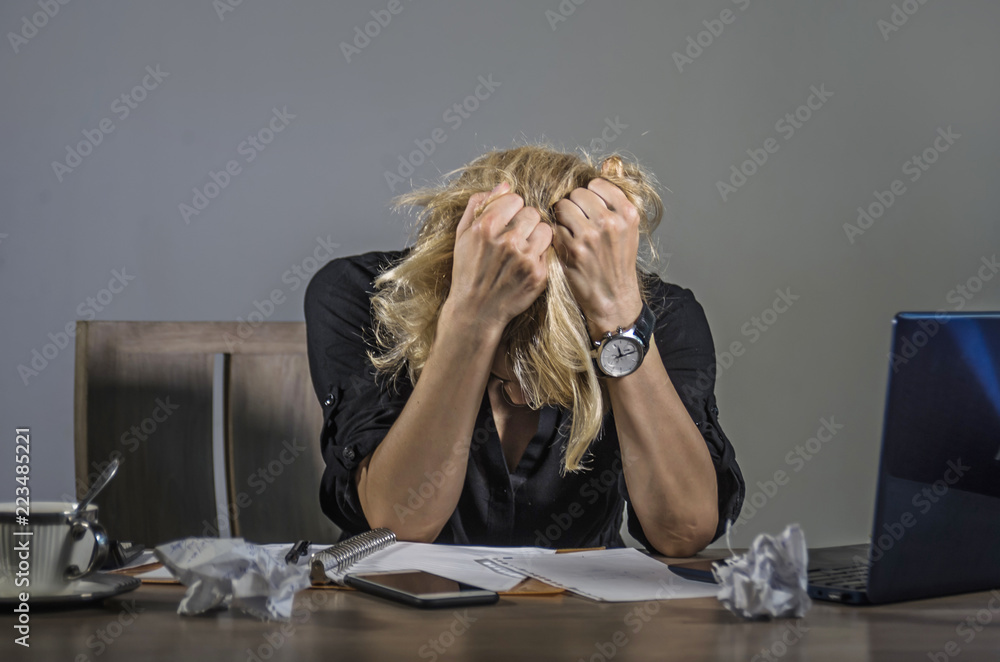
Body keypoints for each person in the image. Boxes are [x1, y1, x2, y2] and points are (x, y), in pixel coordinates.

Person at [304, 144, 744, 556]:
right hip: (403, 621)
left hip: (590, 624)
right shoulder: (364, 297)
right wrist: (473, 318)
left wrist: (617, 318)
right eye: (505, 372)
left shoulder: (661, 318)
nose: (523, 397)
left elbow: (684, 530)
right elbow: (399, 524)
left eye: (559, 367)